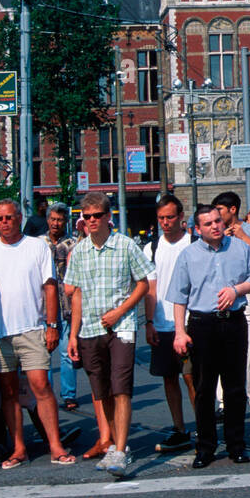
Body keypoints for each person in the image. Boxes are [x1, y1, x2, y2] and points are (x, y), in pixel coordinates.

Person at [63, 192, 155, 476]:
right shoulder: (78, 251)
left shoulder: (125, 245)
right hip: (89, 328)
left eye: (95, 216)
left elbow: (143, 283)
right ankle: (117, 443)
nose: (90, 221)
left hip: (122, 326)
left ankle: (118, 450)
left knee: (121, 386)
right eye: (85, 216)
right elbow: (75, 295)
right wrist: (72, 335)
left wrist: (121, 311)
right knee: (101, 390)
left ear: (107, 217)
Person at [0, 199, 74, 468]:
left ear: (19, 218)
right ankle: (19, 448)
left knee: (41, 386)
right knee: (8, 393)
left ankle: (55, 445)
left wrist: (52, 325)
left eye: (9, 217)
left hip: (33, 328)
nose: (5, 222)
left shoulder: (36, 247)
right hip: (0, 333)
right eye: (0, 218)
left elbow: (49, 287)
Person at [168, 205, 250, 466]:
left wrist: (236, 290)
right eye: (208, 224)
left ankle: (236, 444)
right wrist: (179, 332)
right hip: (202, 325)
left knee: (235, 387)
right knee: (204, 388)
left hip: (233, 322)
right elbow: (179, 297)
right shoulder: (188, 255)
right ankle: (205, 447)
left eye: (218, 221)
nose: (215, 226)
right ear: (197, 229)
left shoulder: (240, 248)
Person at [143, 194, 195, 453]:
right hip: (162, 323)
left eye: (170, 217)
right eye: (161, 218)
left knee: (192, 378)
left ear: (181, 216)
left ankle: (203, 428)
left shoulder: (194, 243)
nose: (165, 222)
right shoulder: (152, 247)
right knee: (169, 378)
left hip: (189, 322)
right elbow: (149, 288)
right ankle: (180, 428)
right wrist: (149, 322)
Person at [212, 192, 250, 421]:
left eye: (221, 210)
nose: (217, 215)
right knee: (221, 348)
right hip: (222, 294)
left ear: (233, 210)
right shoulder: (215, 231)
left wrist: (243, 237)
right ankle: (224, 402)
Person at [43, 202, 81, 412]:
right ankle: (45, 392)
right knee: (45, 351)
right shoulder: (39, 243)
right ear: (48, 220)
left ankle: (68, 394)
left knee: (68, 351)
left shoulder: (73, 244)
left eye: (60, 219)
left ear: (66, 221)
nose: (56, 223)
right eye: (53, 219)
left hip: (67, 306)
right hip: (44, 306)